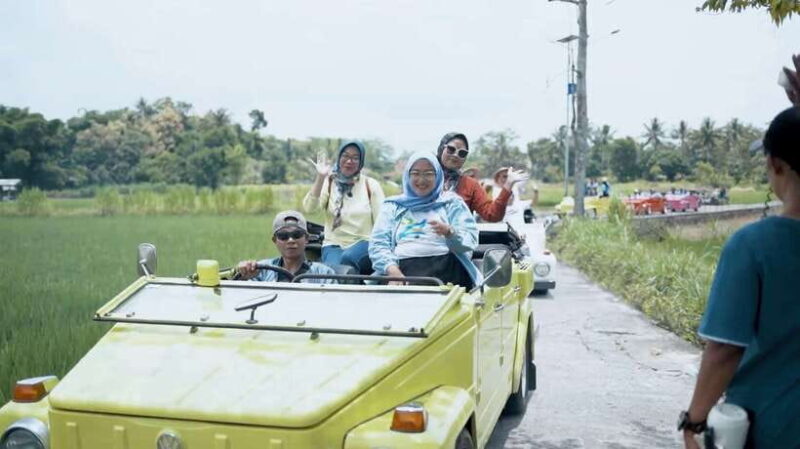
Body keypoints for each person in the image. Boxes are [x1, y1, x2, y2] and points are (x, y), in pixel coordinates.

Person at [681, 106, 800, 449]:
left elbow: (724, 349)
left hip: (772, 427)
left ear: (775, 164)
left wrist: (694, 422)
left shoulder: (754, 245)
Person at [369, 152, 480, 289]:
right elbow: (378, 243)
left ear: (438, 175)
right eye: (415, 173)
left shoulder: (452, 203)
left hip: (446, 271)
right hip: (401, 271)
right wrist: (392, 270)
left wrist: (450, 232)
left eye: (428, 174)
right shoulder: (392, 206)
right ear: (407, 176)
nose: (421, 180)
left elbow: (470, 240)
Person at [304, 140, 385, 273]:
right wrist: (320, 177)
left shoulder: (370, 185)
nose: (349, 161)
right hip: (334, 245)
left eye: (355, 158)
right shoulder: (329, 182)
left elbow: (382, 224)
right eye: (345, 156)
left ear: (361, 162)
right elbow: (310, 208)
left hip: (364, 243)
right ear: (339, 158)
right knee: (331, 273)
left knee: (348, 258)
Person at [436, 132, 527, 222]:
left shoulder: (470, 185)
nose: (456, 155)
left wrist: (508, 184)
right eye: (451, 149)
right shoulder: (429, 178)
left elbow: (492, 214)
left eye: (462, 153)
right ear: (441, 149)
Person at [237, 210, 336, 283]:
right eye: (283, 236)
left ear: (306, 239)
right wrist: (243, 275)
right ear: (275, 241)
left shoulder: (324, 274)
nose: (291, 240)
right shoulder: (261, 270)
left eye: (297, 235)